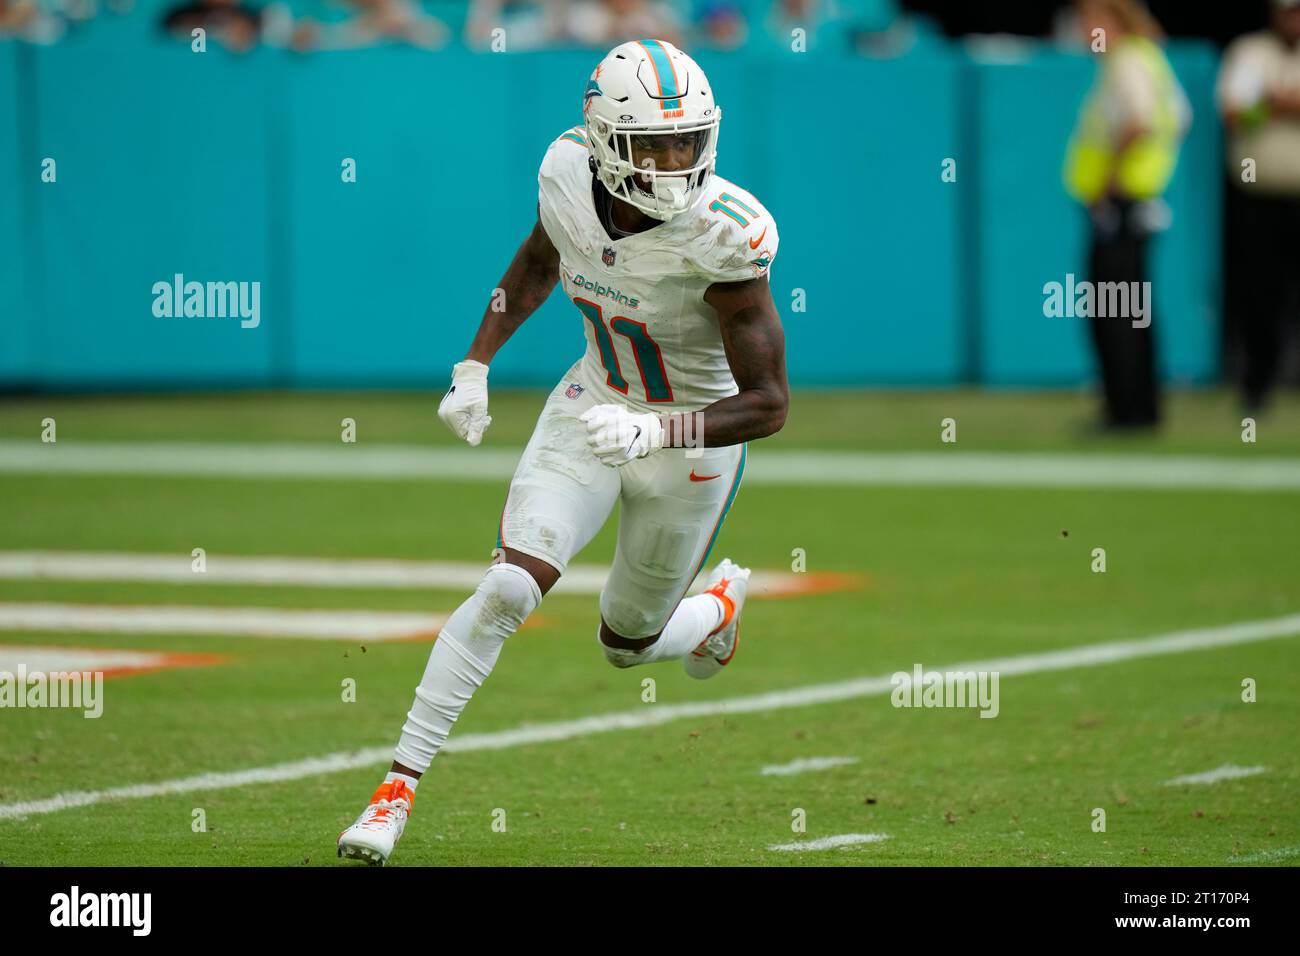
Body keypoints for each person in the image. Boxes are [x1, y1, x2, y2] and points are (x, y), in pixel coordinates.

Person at [337, 38, 788, 865]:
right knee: (511, 584)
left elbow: (768, 405)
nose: (673, 162)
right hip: (591, 407)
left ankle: (716, 610)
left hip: (691, 443)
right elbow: (541, 262)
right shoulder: (566, 174)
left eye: (687, 142)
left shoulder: (726, 234)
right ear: (606, 141)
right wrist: (476, 362)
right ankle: (395, 790)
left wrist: (659, 430)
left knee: (628, 644)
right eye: (653, 144)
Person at [1064, 0, 1189, 430]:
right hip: (1137, 202)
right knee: (1131, 307)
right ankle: (1139, 408)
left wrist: (1109, 184)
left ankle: (1127, 411)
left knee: (1114, 309)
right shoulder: (1148, 59)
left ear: (1110, 21)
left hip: (1121, 204)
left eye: (1088, 20)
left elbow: (1138, 124)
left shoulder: (1127, 61)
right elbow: (1179, 119)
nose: (1082, 30)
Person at [1218, 0, 1300, 413]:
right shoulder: (1250, 53)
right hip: (1260, 193)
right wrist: (1274, 105)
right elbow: (1234, 115)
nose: (1293, 19)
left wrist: (1271, 103)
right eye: (1288, 11)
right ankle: (1257, 388)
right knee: (1261, 294)